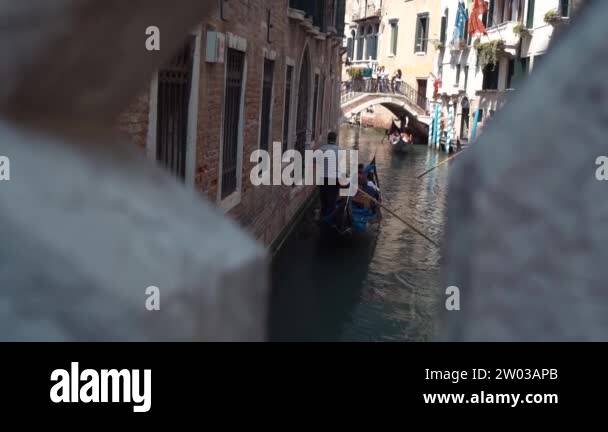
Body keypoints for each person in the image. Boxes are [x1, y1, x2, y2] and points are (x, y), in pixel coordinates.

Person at [318, 132, 341, 218]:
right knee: (332, 199)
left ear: (328, 139)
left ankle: (323, 215)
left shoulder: (321, 149)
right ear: (335, 139)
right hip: (333, 178)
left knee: (323, 198)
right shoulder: (340, 150)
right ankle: (330, 217)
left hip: (323, 177)